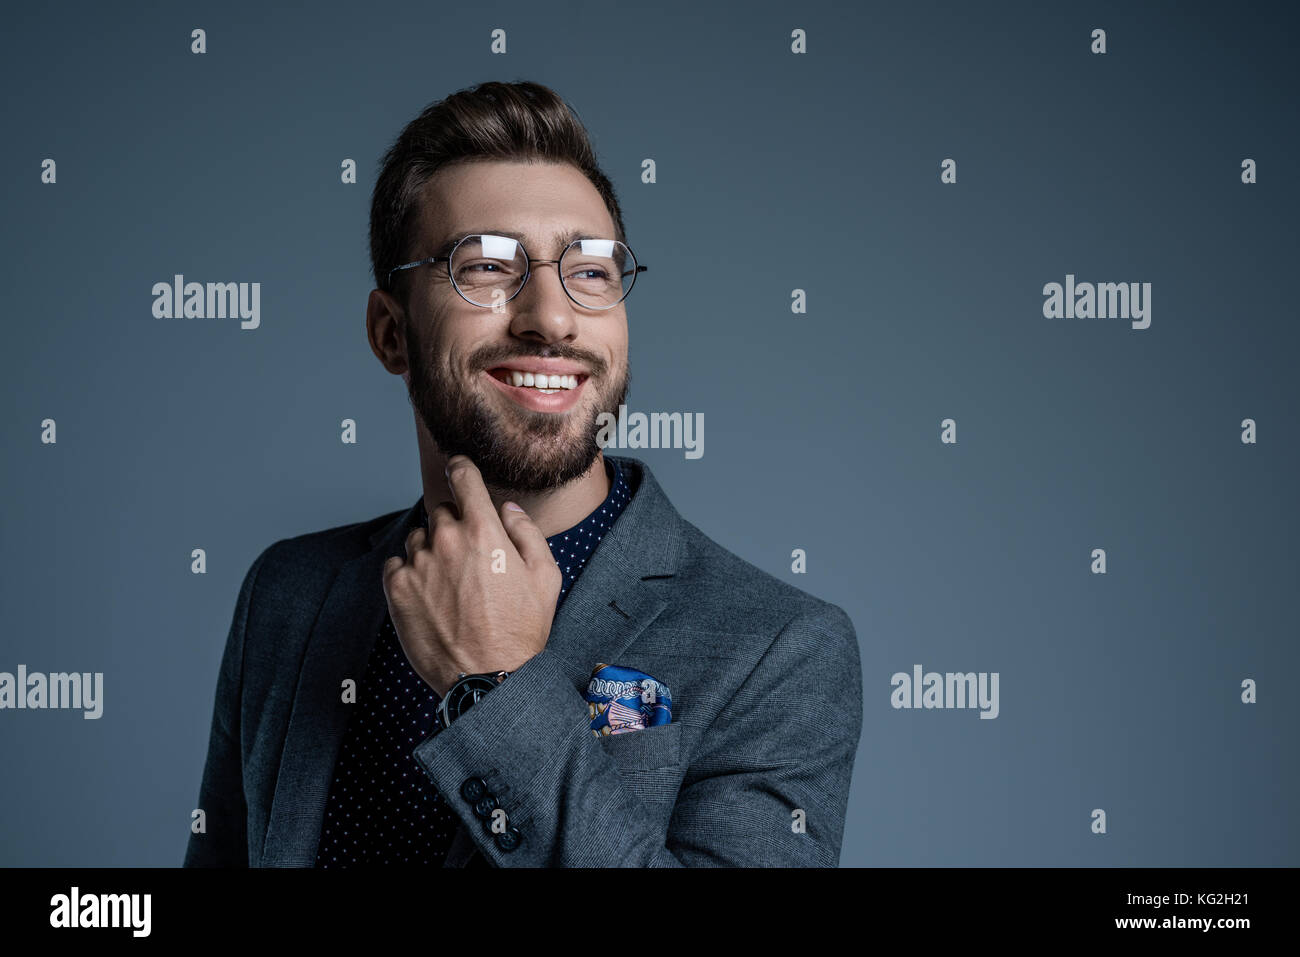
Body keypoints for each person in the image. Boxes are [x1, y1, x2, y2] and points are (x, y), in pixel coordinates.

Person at [184, 79, 862, 868]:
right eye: (486, 266)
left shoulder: (779, 650)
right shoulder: (289, 595)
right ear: (390, 332)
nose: (551, 314)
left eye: (593, 271)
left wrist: (498, 684)